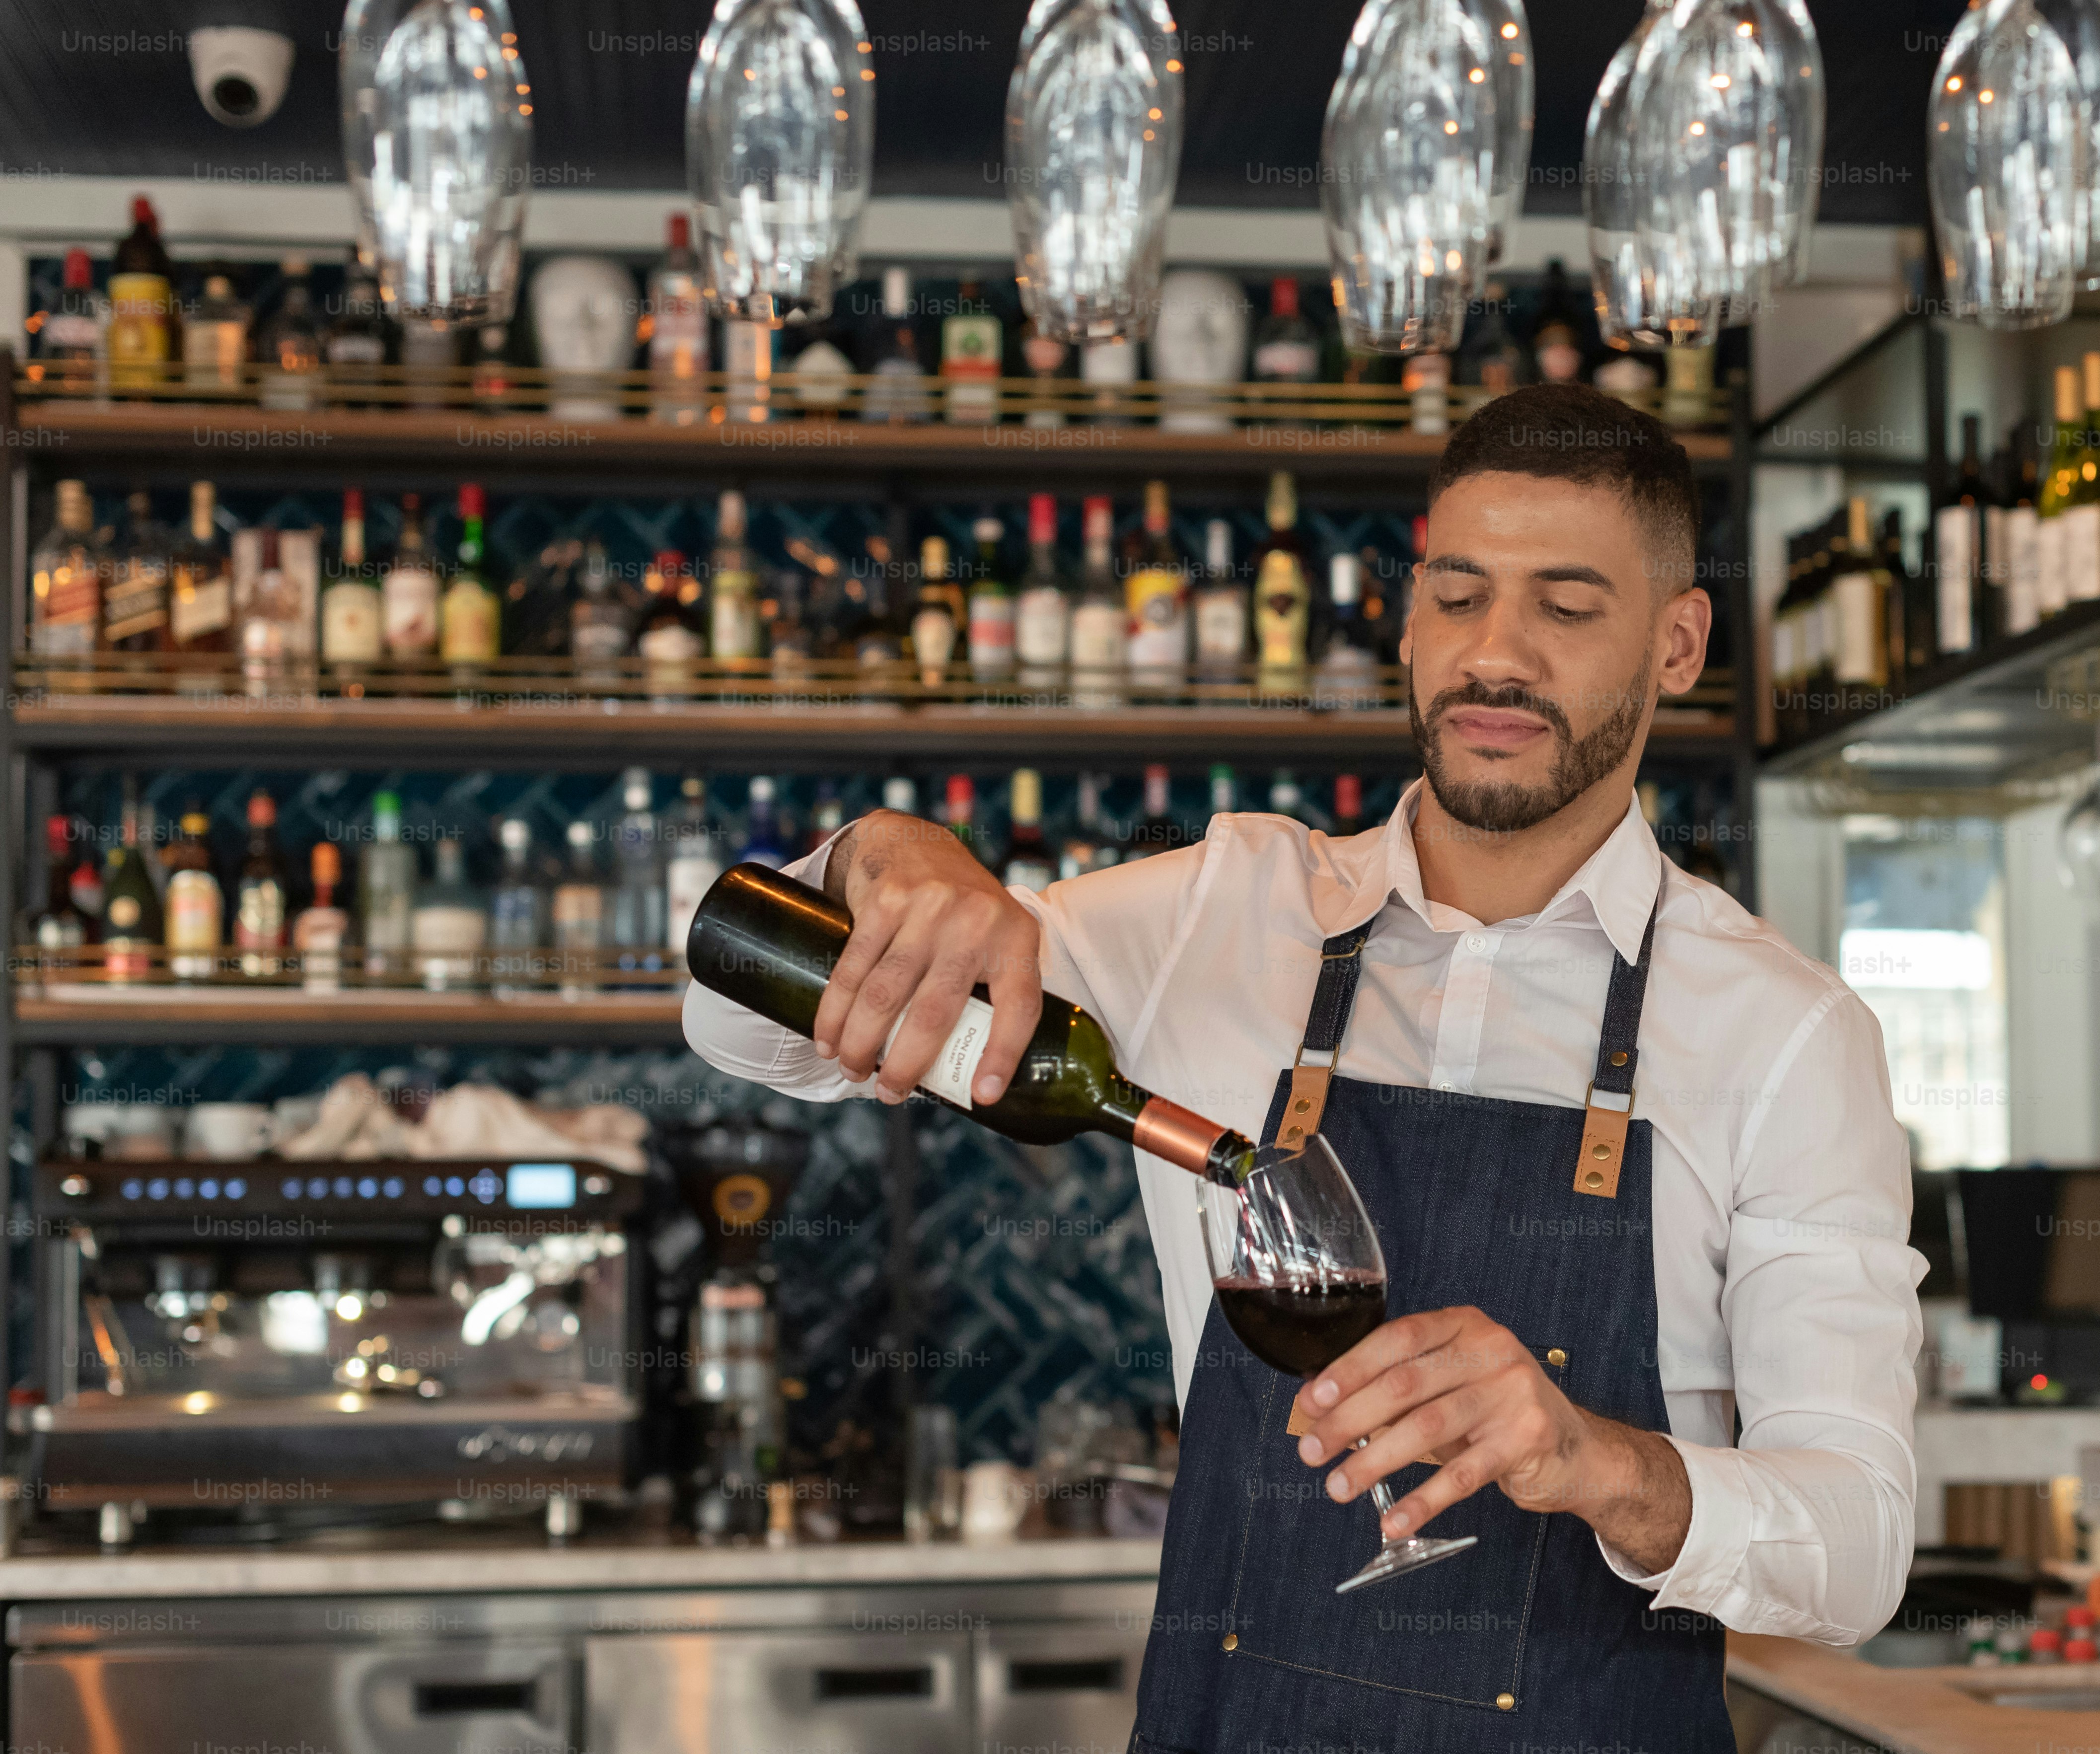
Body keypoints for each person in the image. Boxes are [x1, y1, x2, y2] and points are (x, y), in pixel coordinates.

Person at [684, 382, 1922, 1752]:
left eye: (1565, 608)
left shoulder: (1786, 1033)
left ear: (1678, 642)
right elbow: (737, 1027)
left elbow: (1859, 1548)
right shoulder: (1213, 919)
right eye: (1457, 597)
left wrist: (1590, 1458)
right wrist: (878, 852)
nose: (1493, 656)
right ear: (1404, 616)